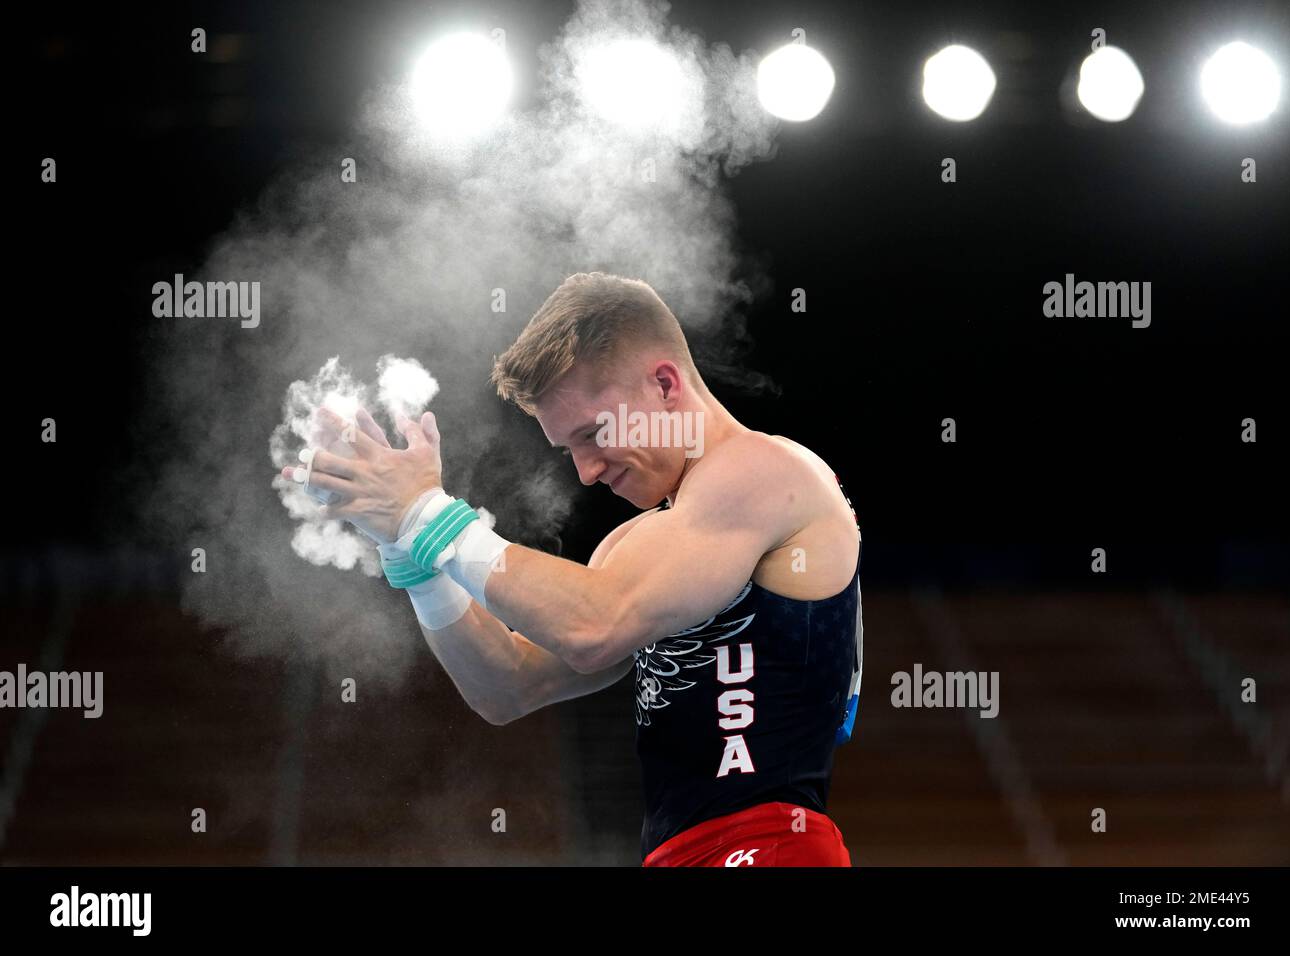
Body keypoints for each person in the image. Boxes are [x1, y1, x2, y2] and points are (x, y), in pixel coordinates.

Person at [282, 272, 863, 866]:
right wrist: (412, 553)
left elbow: (594, 627)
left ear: (665, 383)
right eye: (569, 449)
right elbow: (507, 687)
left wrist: (427, 514)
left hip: (770, 847)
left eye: (593, 433)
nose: (586, 471)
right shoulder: (637, 549)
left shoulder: (766, 471)